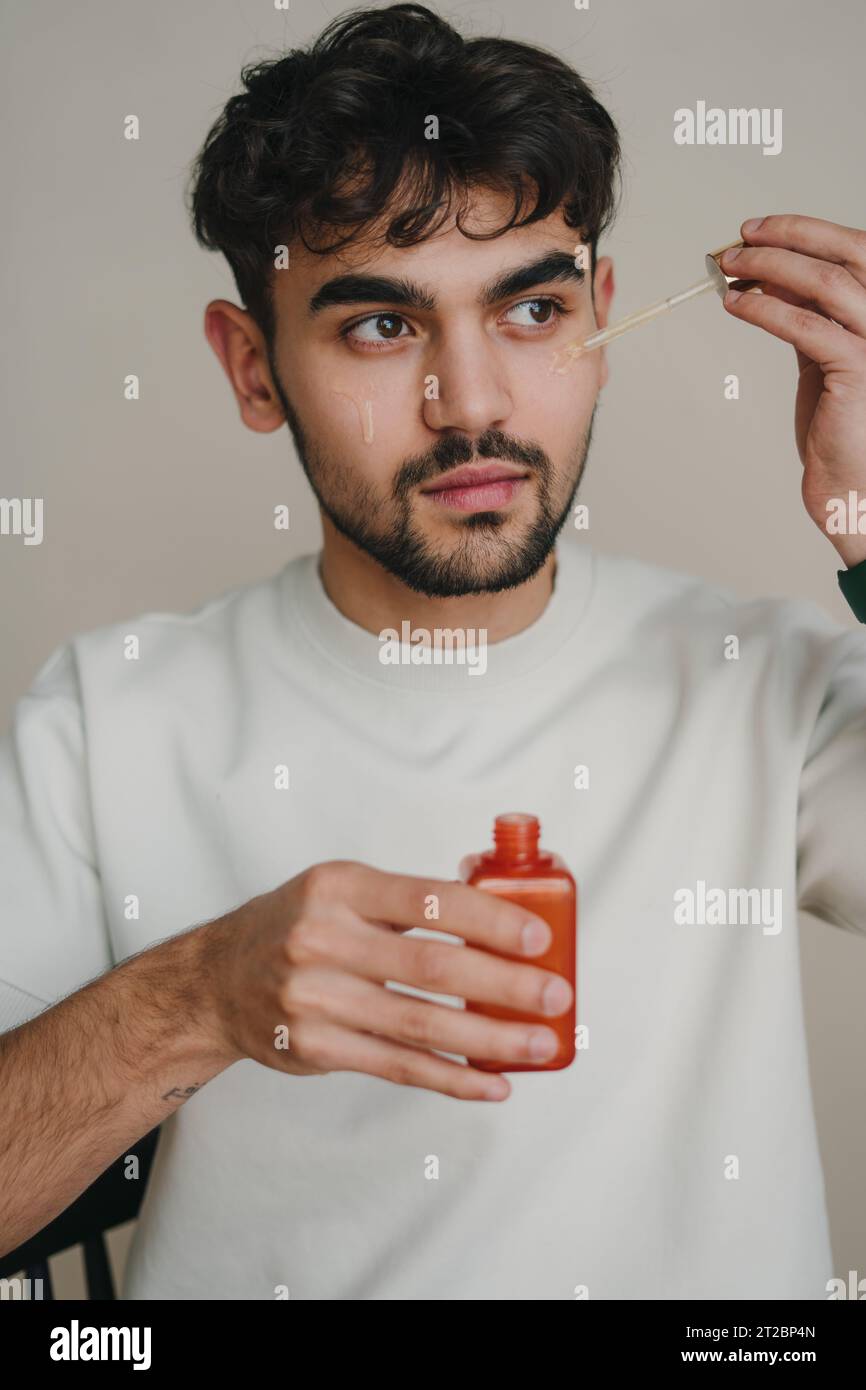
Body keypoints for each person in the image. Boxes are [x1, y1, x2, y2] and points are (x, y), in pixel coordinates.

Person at [2, 2, 866, 1301]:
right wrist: (199, 995)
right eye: (379, 325)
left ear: (602, 317)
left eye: (528, 310)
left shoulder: (766, 682)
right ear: (252, 369)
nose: (470, 402)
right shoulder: (108, 716)